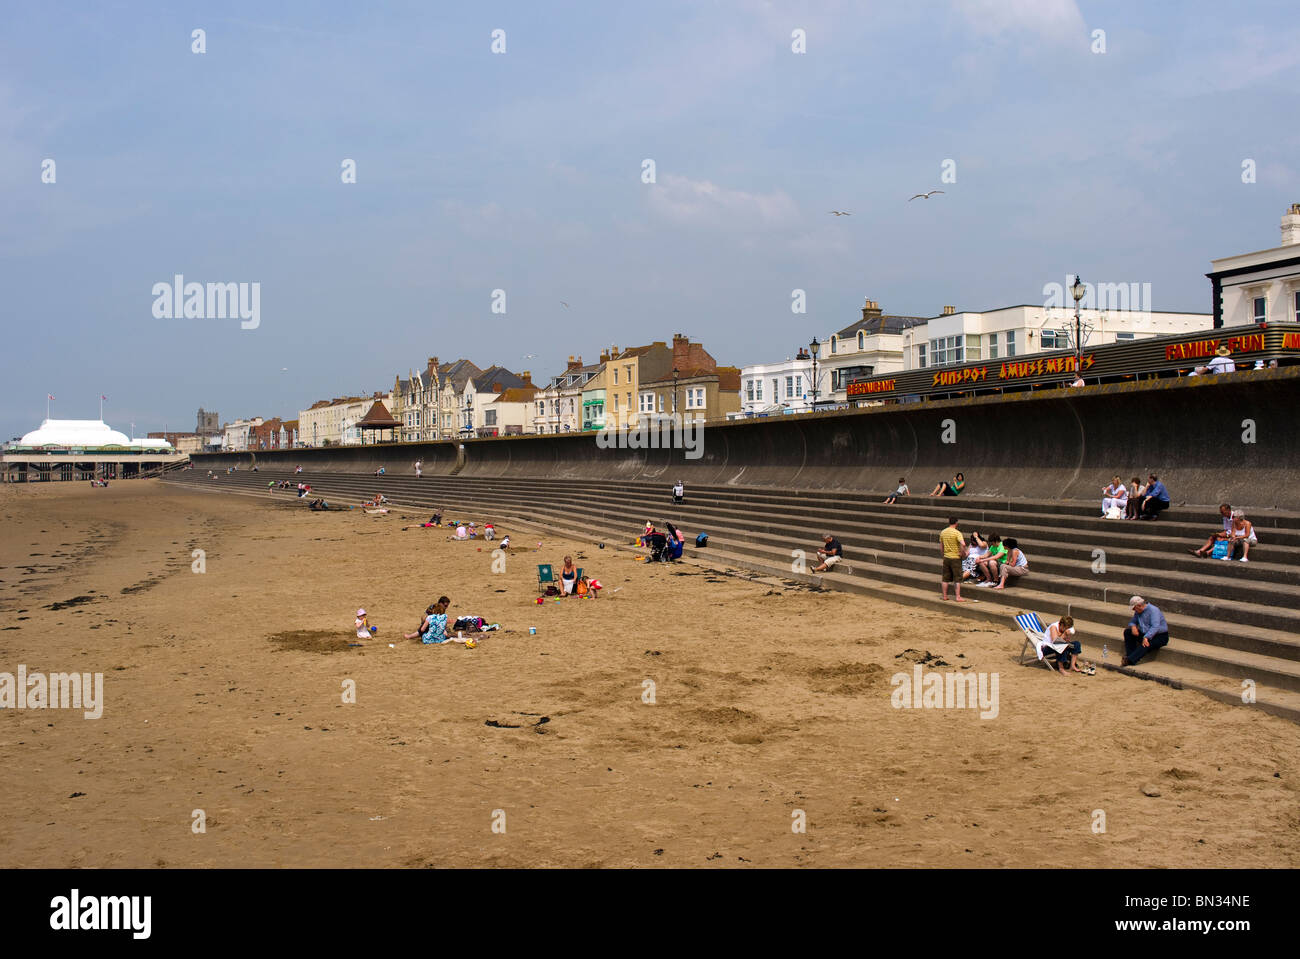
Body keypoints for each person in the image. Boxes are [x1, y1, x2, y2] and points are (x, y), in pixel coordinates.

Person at [1121, 596, 1169, 666]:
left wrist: (1146, 637)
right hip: (1146, 633)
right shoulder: (1138, 611)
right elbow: (1133, 621)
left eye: (1134, 608)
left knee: (1146, 643)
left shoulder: (1153, 610)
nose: (1134, 610)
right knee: (1127, 632)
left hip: (1160, 636)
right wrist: (1133, 626)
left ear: (1139, 605)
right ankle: (1130, 655)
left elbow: (1155, 626)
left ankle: (1130, 660)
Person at [938, 517, 966, 601]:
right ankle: (958, 597)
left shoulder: (943, 532)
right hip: (955, 558)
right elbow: (963, 544)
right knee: (957, 578)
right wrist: (961, 553)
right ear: (956, 523)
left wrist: (943, 554)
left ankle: (945, 596)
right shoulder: (957, 533)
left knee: (945, 578)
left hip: (946, 557)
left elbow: (941, 546)